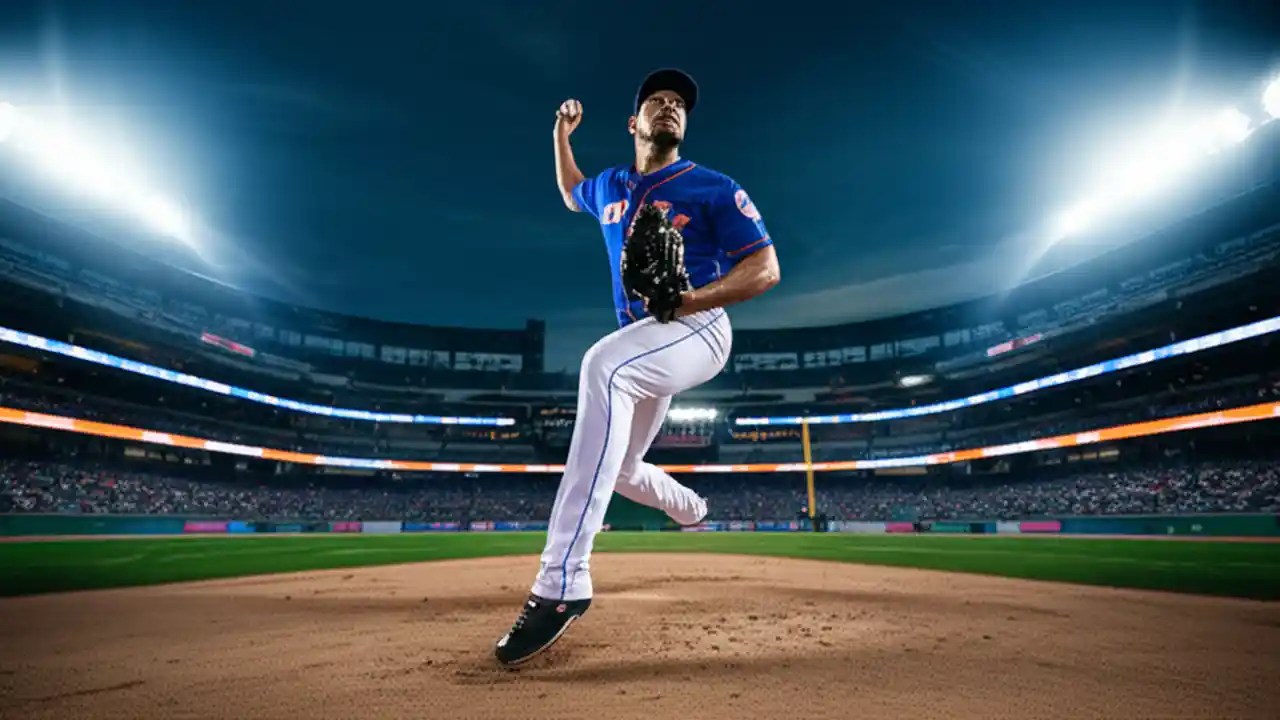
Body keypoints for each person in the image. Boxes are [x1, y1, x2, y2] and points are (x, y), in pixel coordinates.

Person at [495, 68, 782, 666]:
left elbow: (764, 269)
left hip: (699, 325)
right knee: (621, 464)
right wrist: (561, 135)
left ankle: (560, 583)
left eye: (680, 103)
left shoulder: (711, 187)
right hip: (648, 337)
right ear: (635, 122)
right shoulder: (611, 186)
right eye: (658, 100)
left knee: (603, 366)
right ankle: (691, 509)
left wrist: (691, 300)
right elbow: (570, 191)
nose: (671, 107)